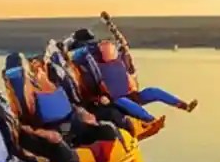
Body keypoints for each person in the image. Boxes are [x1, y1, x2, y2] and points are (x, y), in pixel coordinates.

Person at [68, 27, 197, 123]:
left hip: (129, 94)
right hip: (111, 99)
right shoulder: (86, 58)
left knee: (153, 91)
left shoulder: (109, 57)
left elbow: (122, 52)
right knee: (124, 101)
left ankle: (184, 105)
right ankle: (149, 120)